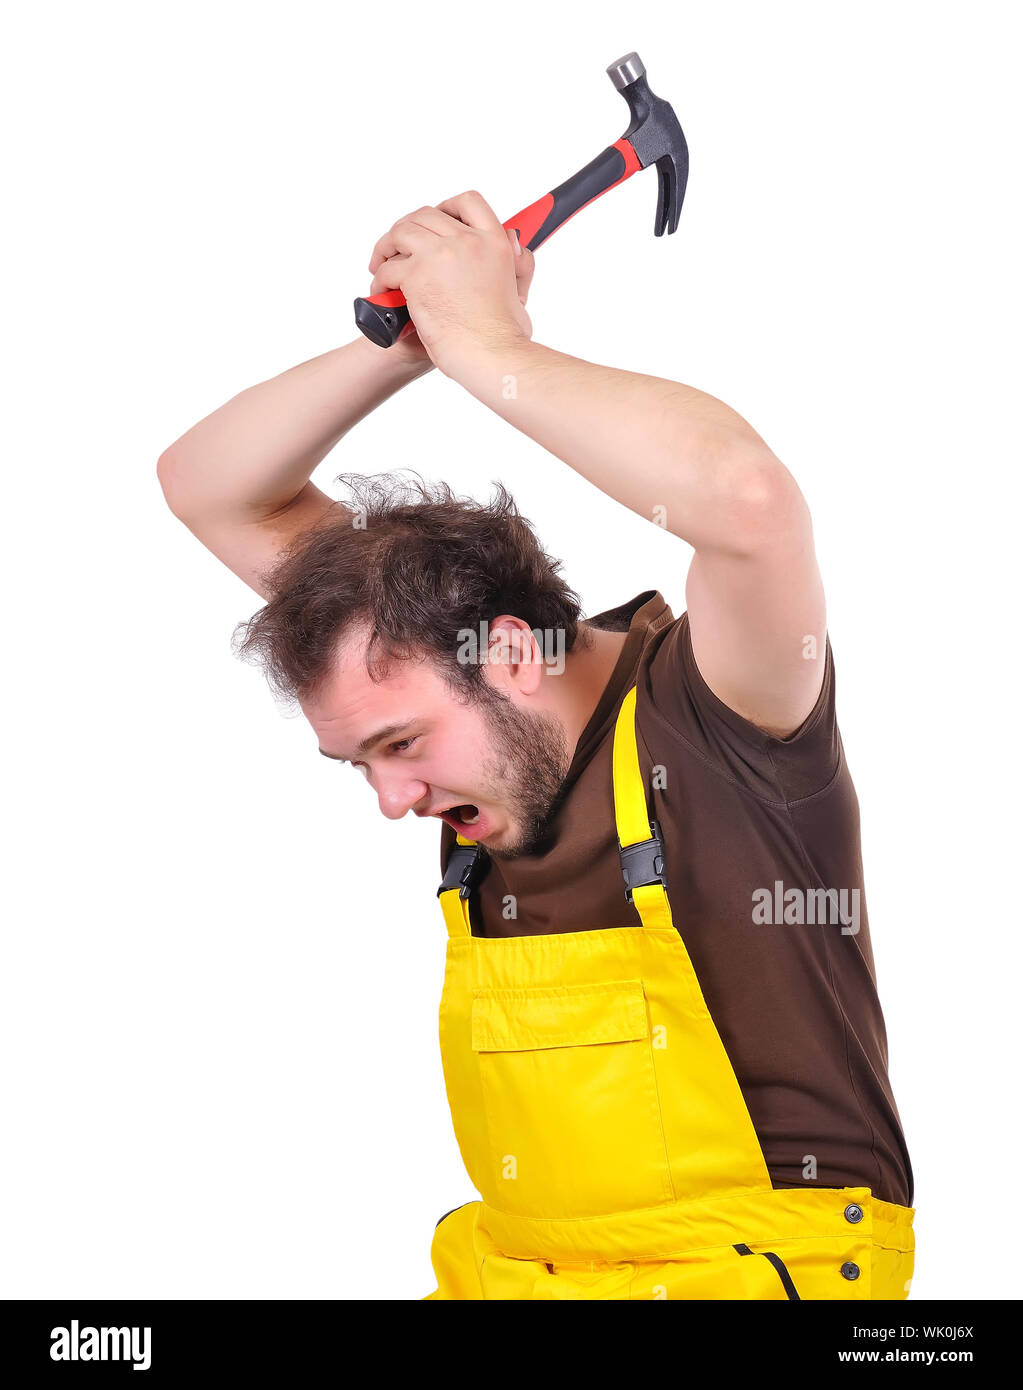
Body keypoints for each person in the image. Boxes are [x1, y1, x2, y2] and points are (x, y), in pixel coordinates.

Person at [157, 190, 914, 1300]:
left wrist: (492, 349)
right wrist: (406, 342)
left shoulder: (721, 713)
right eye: (362, 760)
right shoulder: (421, 664)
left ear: (512, 654)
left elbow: (749, 501)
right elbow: (205, 486)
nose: (391, 798)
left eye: (402, 742)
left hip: (755, 1275)